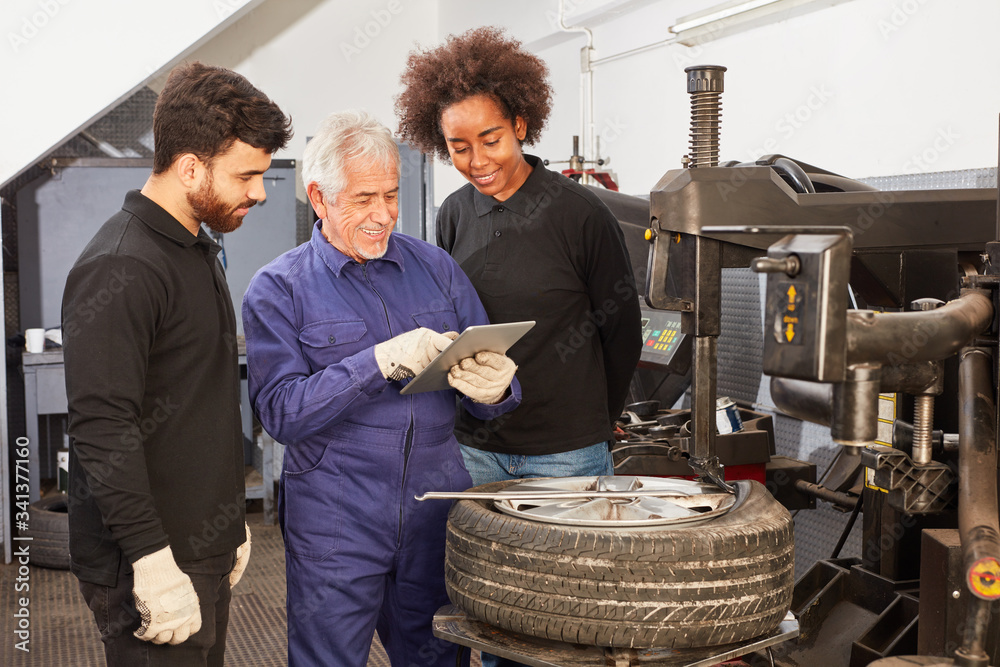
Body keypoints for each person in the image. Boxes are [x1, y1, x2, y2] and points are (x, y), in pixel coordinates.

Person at [242, 109, 520, 667]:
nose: (382, 215)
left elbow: (486, 375)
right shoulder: (277, 289)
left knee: (436, 657)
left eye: (390, 195)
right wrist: (377, 363)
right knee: (329, 659)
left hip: (434, 506)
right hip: (336, 516)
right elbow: (281, 413)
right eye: (363, 198)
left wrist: (496, 391)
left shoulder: (436, 268)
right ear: (319, 198)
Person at [63, 62, 292, 666]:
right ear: (191, 166)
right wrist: (151, 561)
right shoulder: (122, 265)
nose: (260, 192)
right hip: (151, 563)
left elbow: (197, 406)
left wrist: (227, 527)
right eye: (247, 175)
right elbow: (101, 427)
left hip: (201, 544)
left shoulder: (195, 246)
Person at [397, 28, 642, 489]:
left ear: (520, 126)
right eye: (459, 147)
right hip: (474, 447)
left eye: (491, 140)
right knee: (476, 562)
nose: (477, 161)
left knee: (567, 564)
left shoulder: (580, 213)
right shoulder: (453, 213)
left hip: (566, 453)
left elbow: (621, 331)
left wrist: (599, 424)